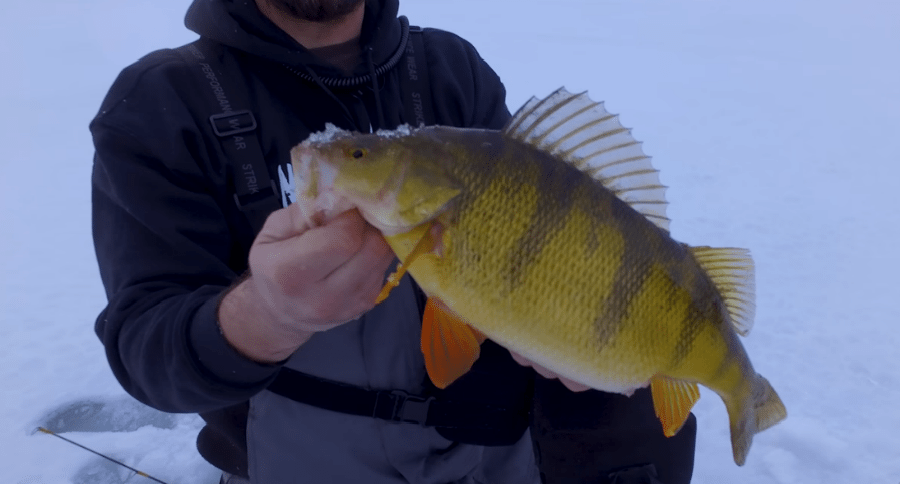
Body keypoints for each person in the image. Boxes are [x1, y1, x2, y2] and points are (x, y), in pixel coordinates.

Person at [91, 0, 697, 482]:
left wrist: (564, 322)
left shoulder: (450, 68)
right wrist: (268, 314)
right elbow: (146, 351)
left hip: (495, 459)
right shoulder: (161, 102)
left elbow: (536, 234)